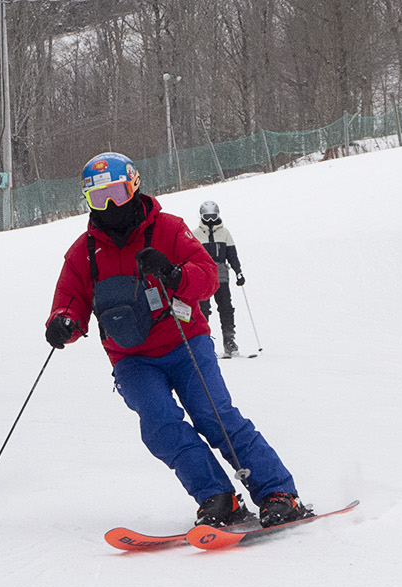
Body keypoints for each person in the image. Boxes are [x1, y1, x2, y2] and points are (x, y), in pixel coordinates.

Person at [43, 152, 308, 528]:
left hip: (185, 343)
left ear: (133, 187)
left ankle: (277, 492)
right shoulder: (84, 251)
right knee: (160, 426)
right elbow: (71, 300)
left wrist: (172, 273)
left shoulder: (168, 229)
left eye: (116, 193)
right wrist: (63, 323)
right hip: (131, 358)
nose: (109, 206)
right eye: (98, 198)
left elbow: (206, 277)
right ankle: (217, 497)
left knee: (213, 415)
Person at [192, 200, 246, 357]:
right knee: (202, 309)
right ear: (201, 216)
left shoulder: (224, 233)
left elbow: (232, 254)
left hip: (221, 274)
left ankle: (229, 340)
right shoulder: (195, 234)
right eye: (207, 216)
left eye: (213, 216)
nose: (210, 220)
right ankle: (204, 341)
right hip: (202, 276)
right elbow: (188, 254)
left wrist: (238, 272)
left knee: (226, 307)